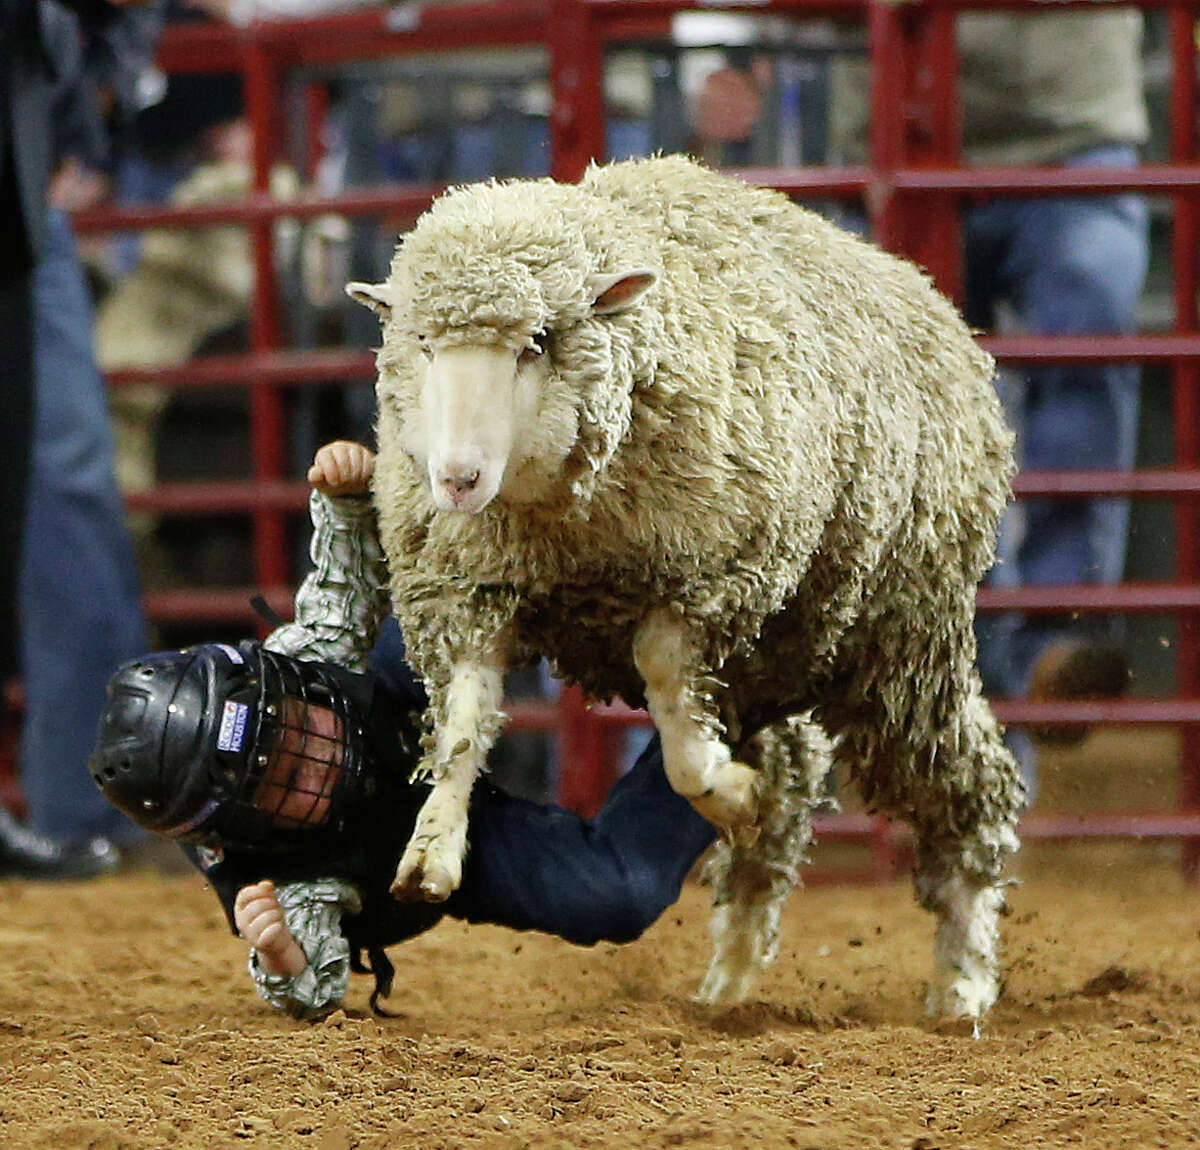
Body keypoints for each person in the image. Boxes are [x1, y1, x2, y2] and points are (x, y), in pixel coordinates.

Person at [90, 441, 717, 1017]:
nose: (316, 757)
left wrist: (346, 495)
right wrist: (282, 954)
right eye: (283, 779)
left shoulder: (305, 657)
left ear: (267, 679)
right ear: (246, 830)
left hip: (400, 696)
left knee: (481, 575)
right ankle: (731, 723)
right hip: (416, 856)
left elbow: (343, 582)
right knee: (617, 893)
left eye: (289, 727)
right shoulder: (279, 880)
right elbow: (312, 985)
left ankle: (639, 501)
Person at [696, 8, 1149, 794]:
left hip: (1061, 129)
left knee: (1085, 329)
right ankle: (976, 698)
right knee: (897, 422)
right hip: (902, 126)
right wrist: (729, 46)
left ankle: (1056, 633)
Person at [0, 0, 160, 878]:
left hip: (25, 198)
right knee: (66, 482)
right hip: (29, 194)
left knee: (65, 485)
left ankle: (86, 797)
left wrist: (80, 121)